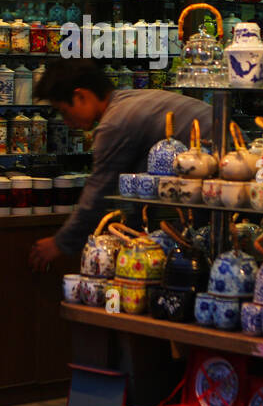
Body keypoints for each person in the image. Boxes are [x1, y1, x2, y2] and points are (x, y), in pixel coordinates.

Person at [28, 59, 211, 271]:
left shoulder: (114, 123)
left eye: (64, 112)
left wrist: (60, 243)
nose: (67, 122)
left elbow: (97, 191)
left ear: (81, 96)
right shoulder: (126, 103)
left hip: (215, 181)